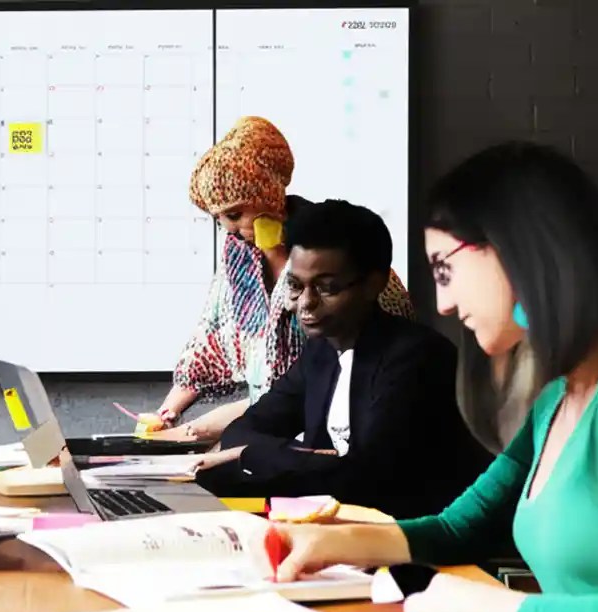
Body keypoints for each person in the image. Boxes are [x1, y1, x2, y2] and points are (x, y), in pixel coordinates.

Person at [270, 141, 598, 612]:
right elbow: (455, 529)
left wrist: (489, 609)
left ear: (520, 249)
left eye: (444, 269)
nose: (442, 302)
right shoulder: (556, 399)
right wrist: (326, 544)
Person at [194, 200, 490, 519]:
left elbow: (364, 477)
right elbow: (243, 430)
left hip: (411, 543)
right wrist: (274, 453)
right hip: (337, 528)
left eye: (327, 288)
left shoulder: (416, 358)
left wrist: (255, 456)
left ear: (374, 284)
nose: (305, 303)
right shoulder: (320, 353)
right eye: (295, 286)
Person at [154, 116, 413, 441]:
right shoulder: (237, 258)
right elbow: (215, 336)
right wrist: (169, 411)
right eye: (219, 220)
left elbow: (386, 332)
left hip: (342, 424)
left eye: (235, 215)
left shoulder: (332, 243)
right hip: (272, 419)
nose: (229, 229)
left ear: (269, 196)